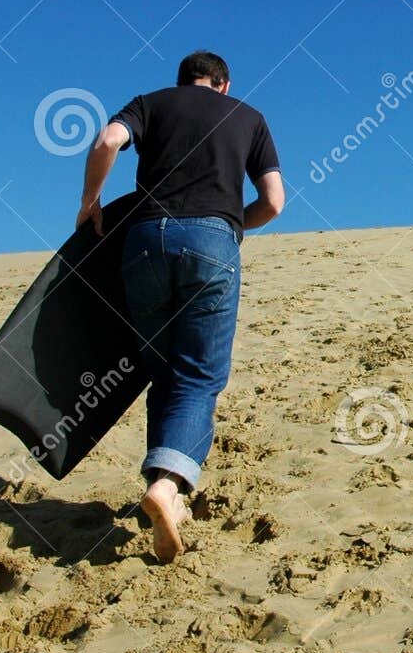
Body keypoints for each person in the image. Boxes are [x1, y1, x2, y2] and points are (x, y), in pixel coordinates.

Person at [76, 50, 284, 562]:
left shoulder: (151, 103)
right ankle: (168, 488)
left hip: (144, 241)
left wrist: (90, 202)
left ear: (183, 81)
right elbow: (275, 202)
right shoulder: (250, 118)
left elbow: (106, 141)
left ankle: (164, 489)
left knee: (162, 371)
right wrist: (230, 224)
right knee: (199, 376)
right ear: (224, 84)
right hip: (213, 243)